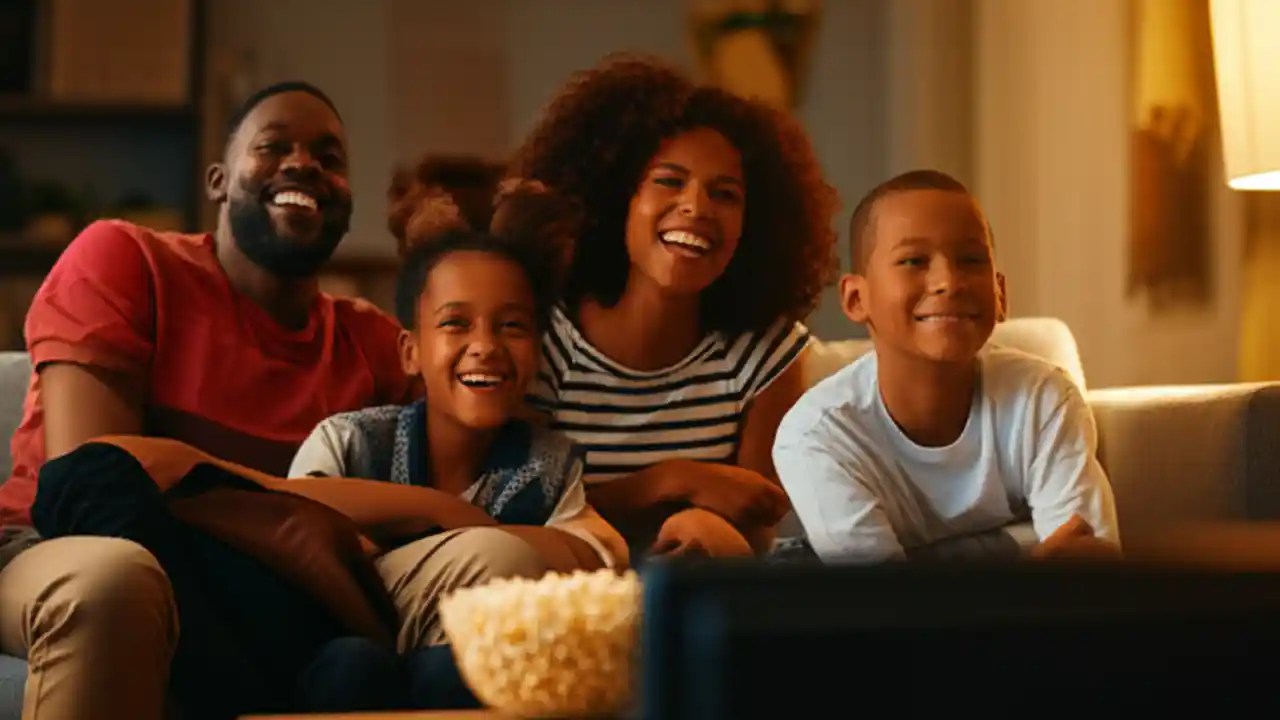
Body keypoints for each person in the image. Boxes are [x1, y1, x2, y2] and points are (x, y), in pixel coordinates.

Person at [0, 80, 544, 720]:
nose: (303, 164)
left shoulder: (372, 342)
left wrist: (438, 508)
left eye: (329, 159)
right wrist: (387, 509)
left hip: (295, 579)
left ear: (346, 203)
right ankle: (282, 691)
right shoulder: (126, 259)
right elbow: (90, 479)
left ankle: (319, 677)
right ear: (217, 181)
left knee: (496, 557)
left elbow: (490, 467)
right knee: (116, 567)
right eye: (273, 146)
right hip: (52, 546)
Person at [289, 182, 624, 712]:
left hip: (465, 665)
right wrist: (439, 511)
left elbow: (591, 556)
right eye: (455, 324)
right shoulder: (350, 440)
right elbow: (291, 518)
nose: (485, 346)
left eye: (511, 326)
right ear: (411, 352)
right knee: (352, 663)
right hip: (345, 650)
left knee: (461, 668)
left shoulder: (549, 464)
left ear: (537, 353)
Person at [509, 54, 840, 559]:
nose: (696, 206)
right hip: (570, 583)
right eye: (669, 180)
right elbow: (517, 511)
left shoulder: (767, 353)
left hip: (703, 584)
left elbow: (754, 529)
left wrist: (693, 520)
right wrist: (672, 481)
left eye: (724, 194)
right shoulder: (543, 338)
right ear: (618, 196)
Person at [772, 169, 1121, 563]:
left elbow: (1089, 569)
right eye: (913, 260)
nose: (949, 282)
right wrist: (1032, 566)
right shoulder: (817, 435)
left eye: (971, 260)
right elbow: (880, 598)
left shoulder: (1042, 398)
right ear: (856, 299)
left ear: (1000, 293)